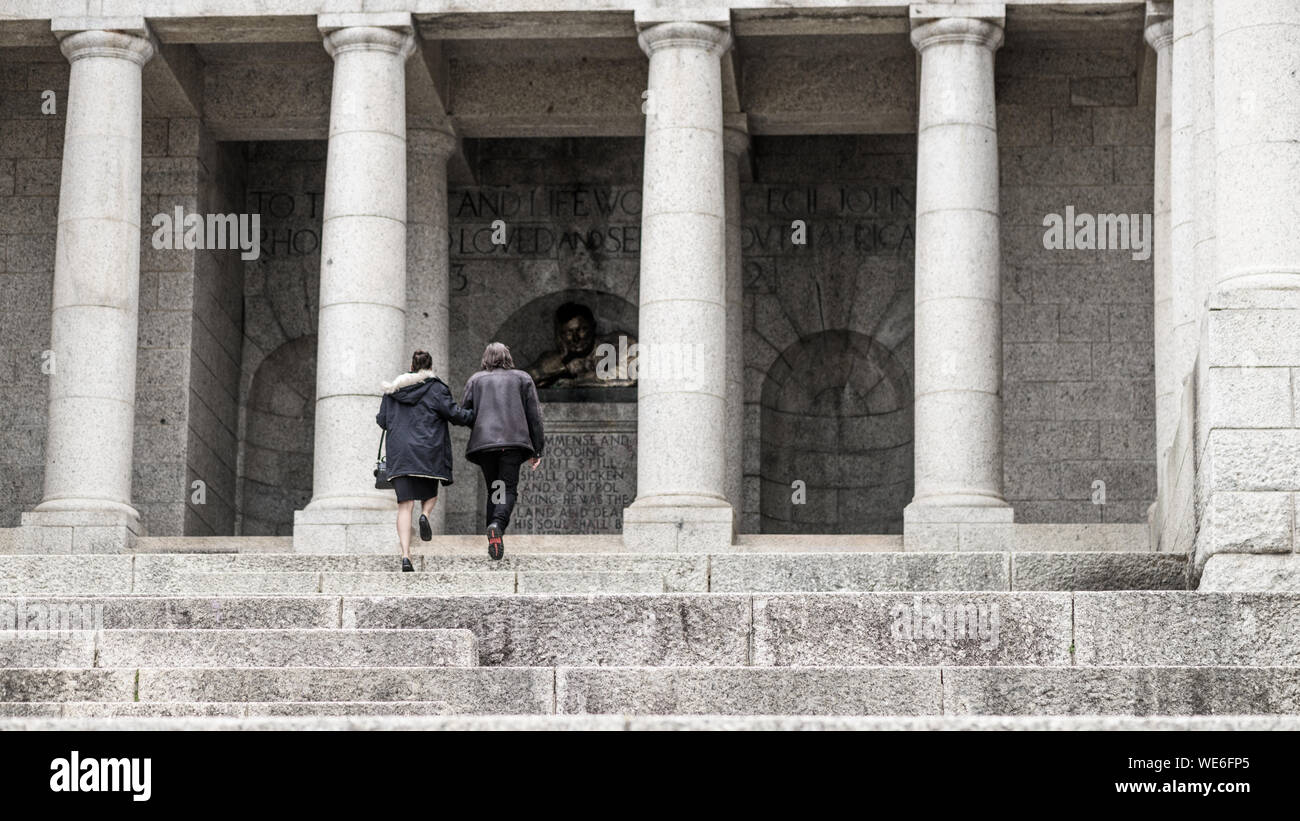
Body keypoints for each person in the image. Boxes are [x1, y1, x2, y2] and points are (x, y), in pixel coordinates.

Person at [376, 350, 474, 572]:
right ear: (430, 367)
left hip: (400, 454)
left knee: (404, 505)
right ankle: (425, 515)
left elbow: (382, 421)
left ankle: (405, 555)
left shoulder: (392, 389)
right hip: (427, 452)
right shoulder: (436, 388)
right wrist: (476, 415)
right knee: (430, 495)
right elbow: (456, 415)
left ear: (411, 365)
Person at [462, 342, 545, 560]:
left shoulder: (476, 380)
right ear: (507, 357)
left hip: (486, 446)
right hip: (512, 445)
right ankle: (497, 524)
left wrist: (480, 427)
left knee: (495, 488)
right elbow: (534, 416)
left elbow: (466, 413)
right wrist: (537, 449)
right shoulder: (522, 378)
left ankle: (493, 532)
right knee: (507, 488)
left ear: (486, 358)